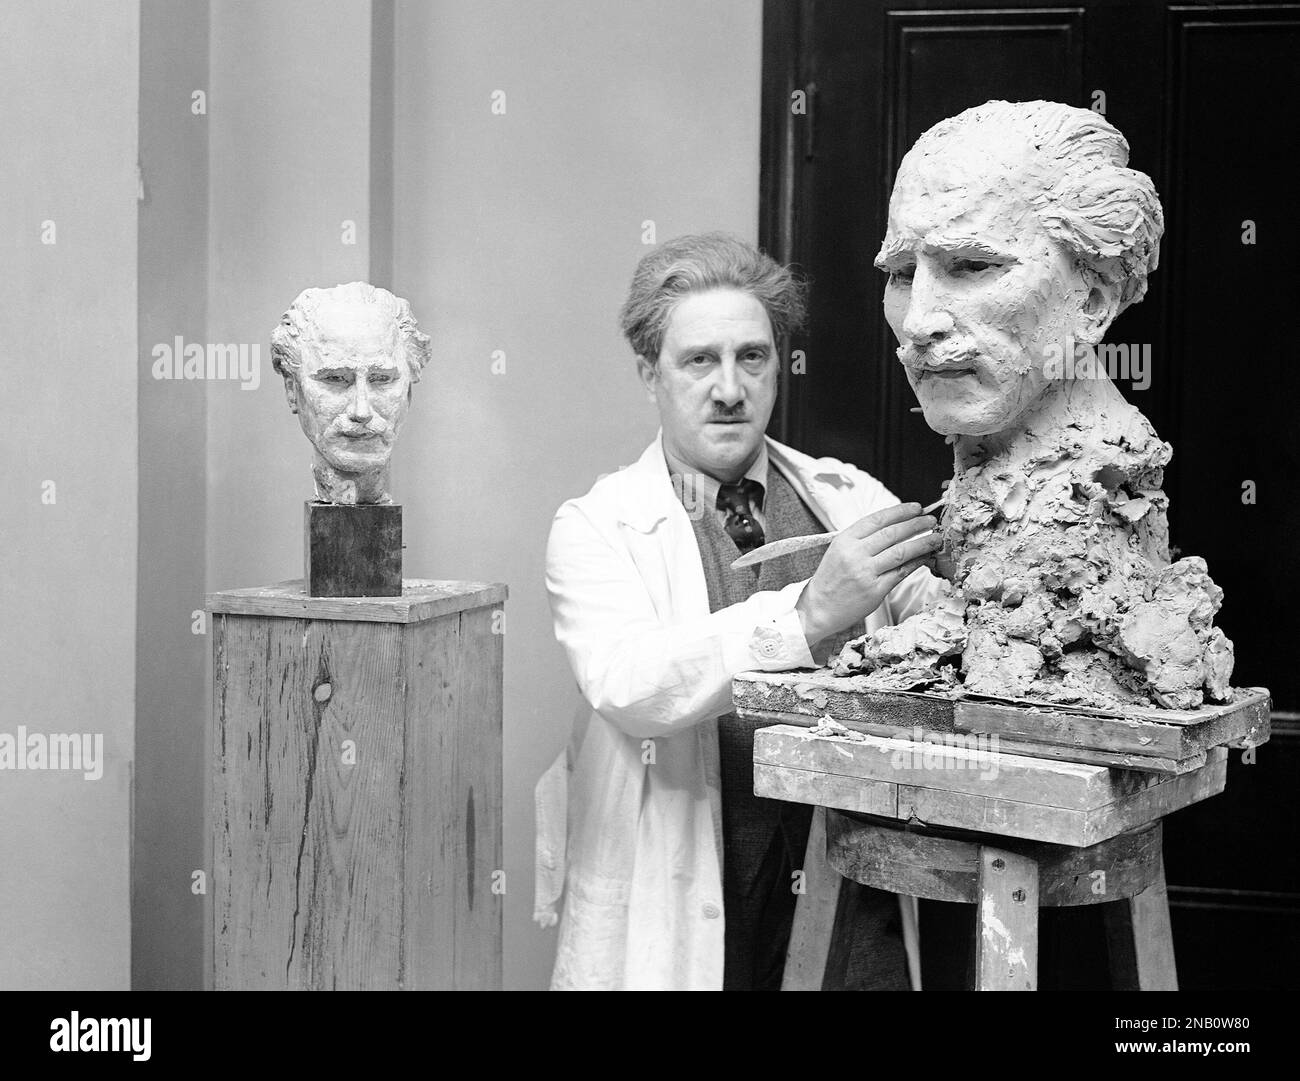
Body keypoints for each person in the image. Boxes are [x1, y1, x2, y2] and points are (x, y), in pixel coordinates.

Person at [535, 232, 944, 990]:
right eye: (700, 360)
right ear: (647, 372)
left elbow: (944, 618)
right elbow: (632, 684)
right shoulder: (597, 525)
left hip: (850, 887)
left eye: (752, 357)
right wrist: (811, 611)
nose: (730, 387)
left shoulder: (847, 495)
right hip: (696, 885)